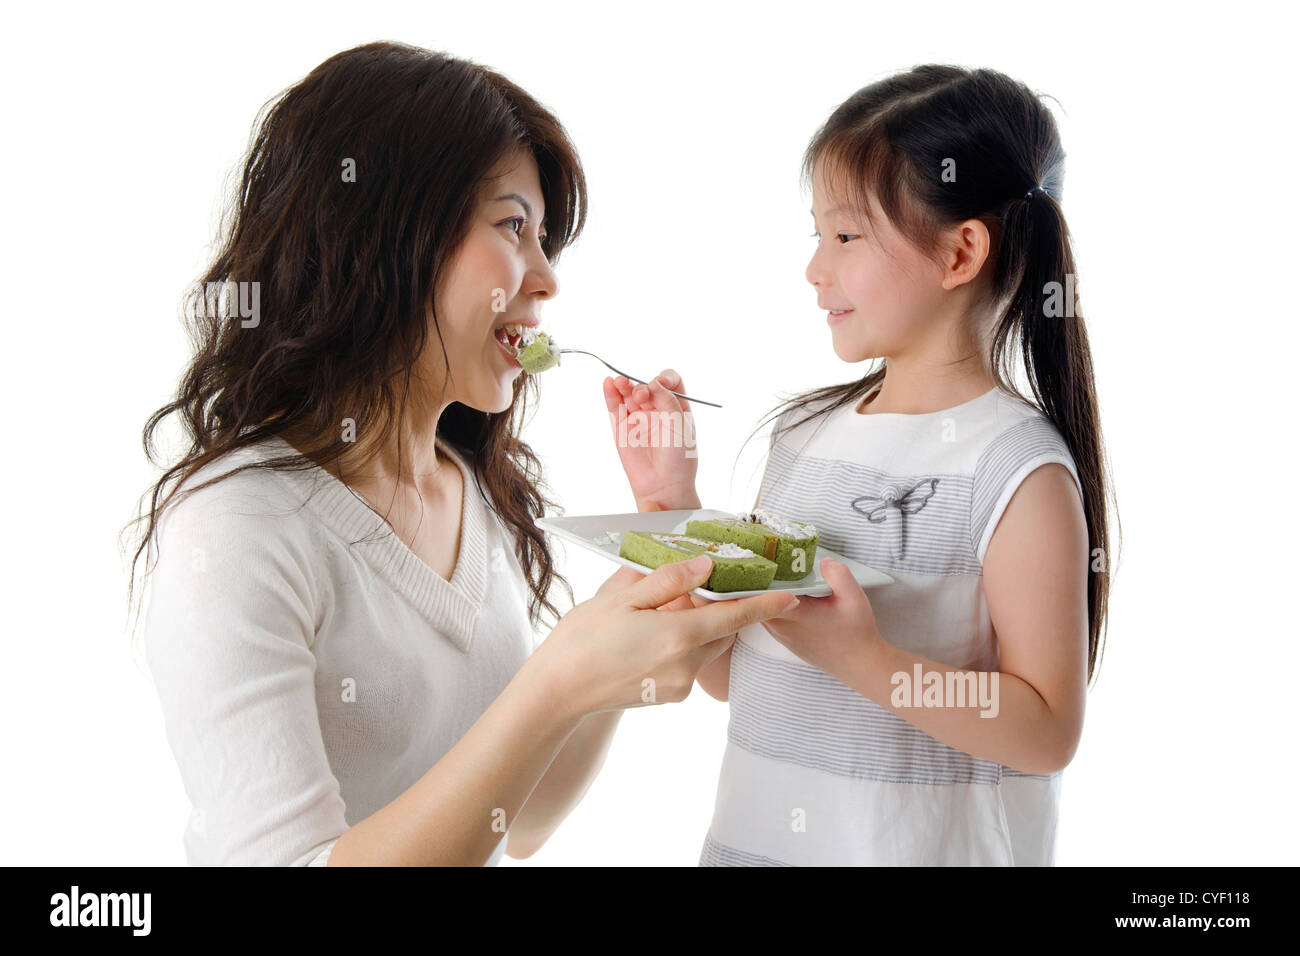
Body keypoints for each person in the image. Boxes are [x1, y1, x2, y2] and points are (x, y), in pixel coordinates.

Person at [125, 41, 796, 867]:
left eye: (545, 239)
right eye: (514, 226)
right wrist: (557, 678)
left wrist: (643, 588)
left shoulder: (471, 492)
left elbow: (522, 821)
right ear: (381, 232)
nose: (546, 278)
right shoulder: (233, 531)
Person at [606, 65, 1118, 865]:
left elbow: (1048, 729)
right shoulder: (803, 437)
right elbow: (743, 680)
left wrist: (867, 660)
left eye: (844, 237)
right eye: (817, 234)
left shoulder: (1015, 469)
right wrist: (669, 498)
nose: (816, 268)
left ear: (960, 252)